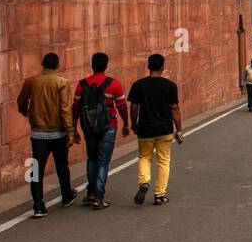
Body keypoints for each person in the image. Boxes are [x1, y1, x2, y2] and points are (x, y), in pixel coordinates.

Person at [17, 52, 76, 218]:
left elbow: (21, 100)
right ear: (57, 65)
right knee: (62, 166)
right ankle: (66, 196)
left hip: (38, 134)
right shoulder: (62, 82)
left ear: (43, 64)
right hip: (58, 133)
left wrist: (25, 111)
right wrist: (70, 131)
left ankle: (38, 205)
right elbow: (65, 109)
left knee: (36, 169)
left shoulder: (31, 82)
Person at [72, 52, 130, 210]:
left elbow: (76, 107)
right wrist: (126, 123)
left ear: (92, 65)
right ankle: (98, 198)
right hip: (108, 126)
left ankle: (91, 194)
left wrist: (74, 128)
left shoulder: (82, 84)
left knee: (91, 159)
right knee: (103, 162)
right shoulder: (114, 84)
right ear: (106, 65)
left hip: (88, 127)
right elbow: (122, 106)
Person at [127, 53, 183, 206]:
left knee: (145, 157)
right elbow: (175, 108)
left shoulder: (138, 85)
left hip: (145, 128)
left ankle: (144, 182)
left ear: (148, 67)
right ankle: (160, 194)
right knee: (163, 161)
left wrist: (133, 124)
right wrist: (179, 130)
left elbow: (133, 107)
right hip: (164, 129)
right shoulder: (170, 86)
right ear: (163, 68)